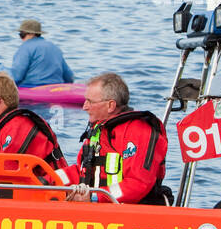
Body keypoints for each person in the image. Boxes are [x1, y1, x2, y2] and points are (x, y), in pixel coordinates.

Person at [65, 72, 169, 205]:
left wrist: (94, 198)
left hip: (132, 212)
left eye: (90, 101)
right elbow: (81, 171)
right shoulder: (98, 131)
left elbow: (138, 183)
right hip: (100, 208)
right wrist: (46, 180)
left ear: (111, 106)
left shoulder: (139, 131)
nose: (84, 107)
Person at [0, 19, 74, 88]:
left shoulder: (25, 48)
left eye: (21, 34)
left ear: (32, 34)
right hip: (55, 88)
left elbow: (15, 77)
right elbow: (69, 78)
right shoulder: (55, 47)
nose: (21, 38)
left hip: (33, 89)